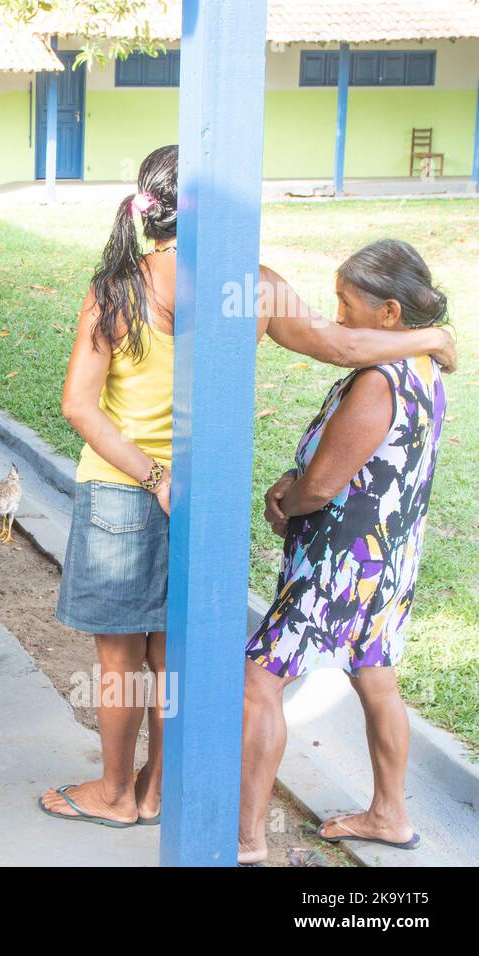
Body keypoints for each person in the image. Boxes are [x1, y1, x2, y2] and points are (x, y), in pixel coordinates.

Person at [38, 145, 457, 830]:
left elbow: (79, 406)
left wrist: (151, 473)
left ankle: (116, 793)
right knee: (176, 651)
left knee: (120, 657)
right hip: (203, 501)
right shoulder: (252, 285)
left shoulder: (117, 286)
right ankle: (157, 789)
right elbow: (343, 345)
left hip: (123, 492)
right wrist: (429, 337)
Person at [238, 240, 449, 864]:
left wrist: (287, 500)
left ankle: (246, 839)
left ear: (389, 313)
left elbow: (327, 484)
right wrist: (295, 479)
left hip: (341, 563)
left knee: (259, 680)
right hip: (389, 557)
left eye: (345, 302)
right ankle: (389, 814)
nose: (337, 315)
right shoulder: (424, 369)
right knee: (374, 674)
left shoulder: (380, 380)